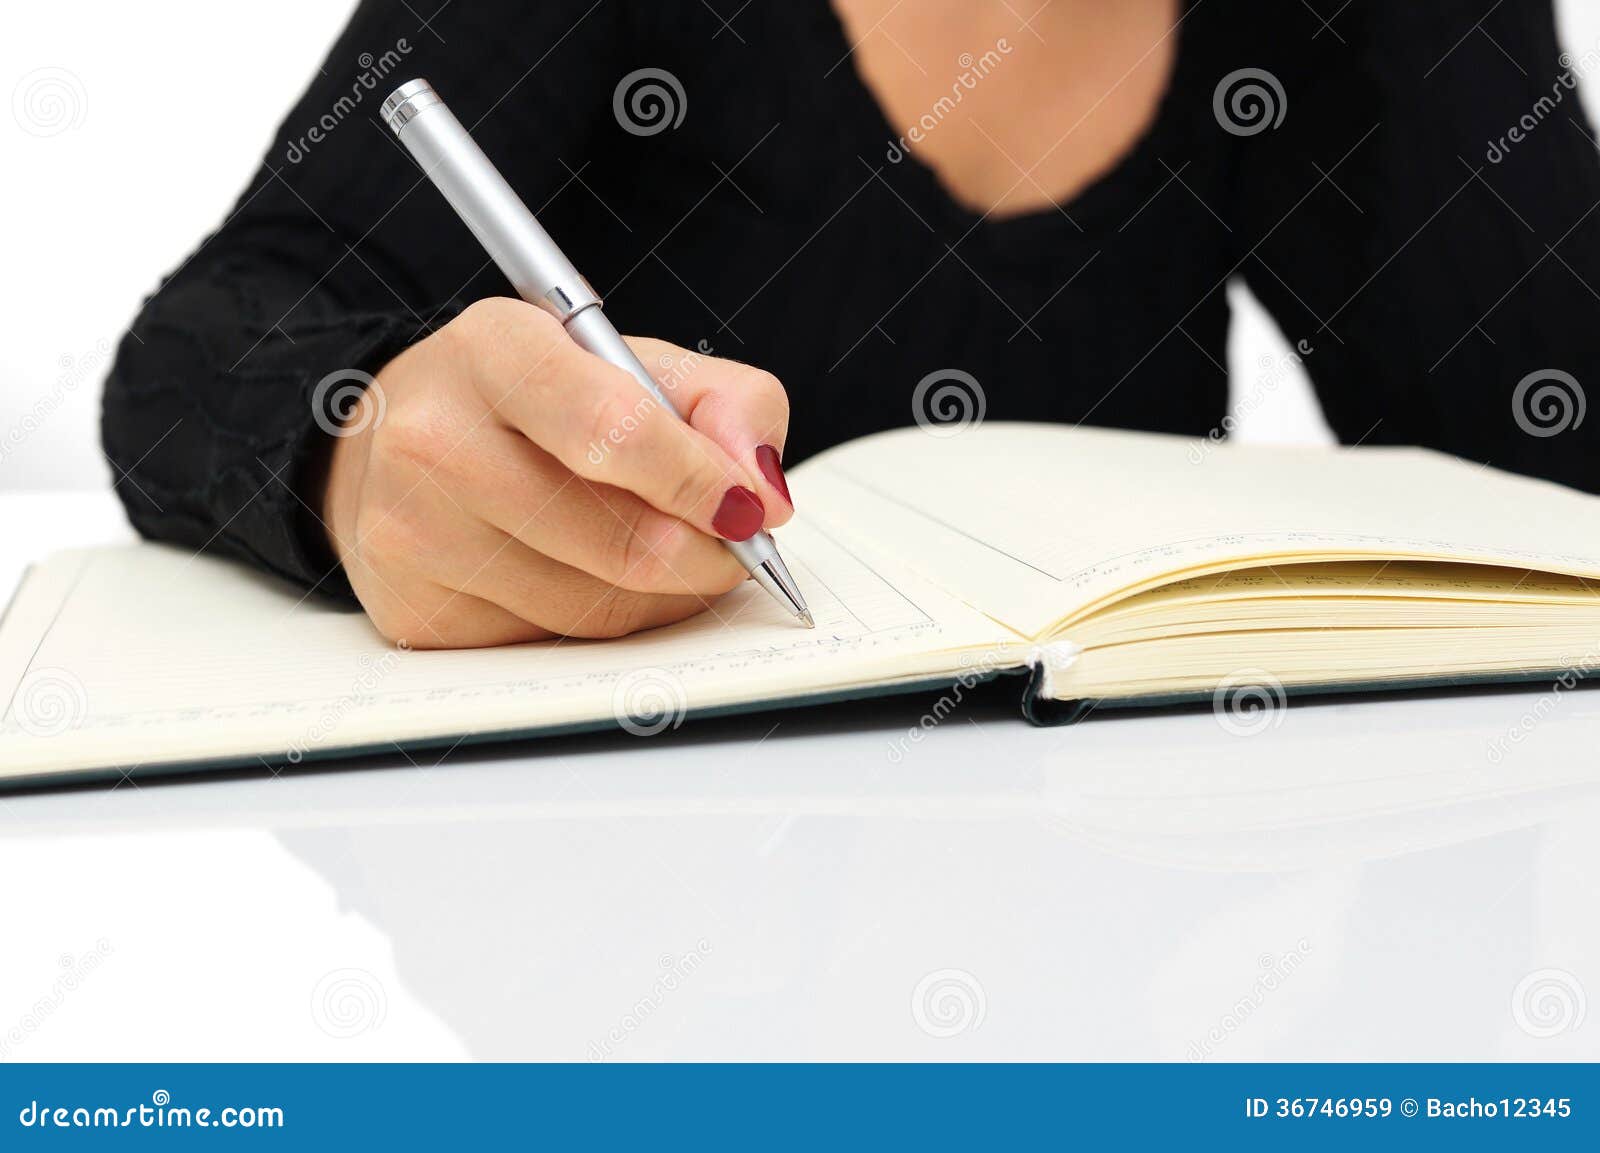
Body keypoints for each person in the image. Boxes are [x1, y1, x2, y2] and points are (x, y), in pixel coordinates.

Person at [102, 0, 1600, 648]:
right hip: (649, 940)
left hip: (1116, 954)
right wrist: (362, 458)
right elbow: (205, 343)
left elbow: (1550, 453)